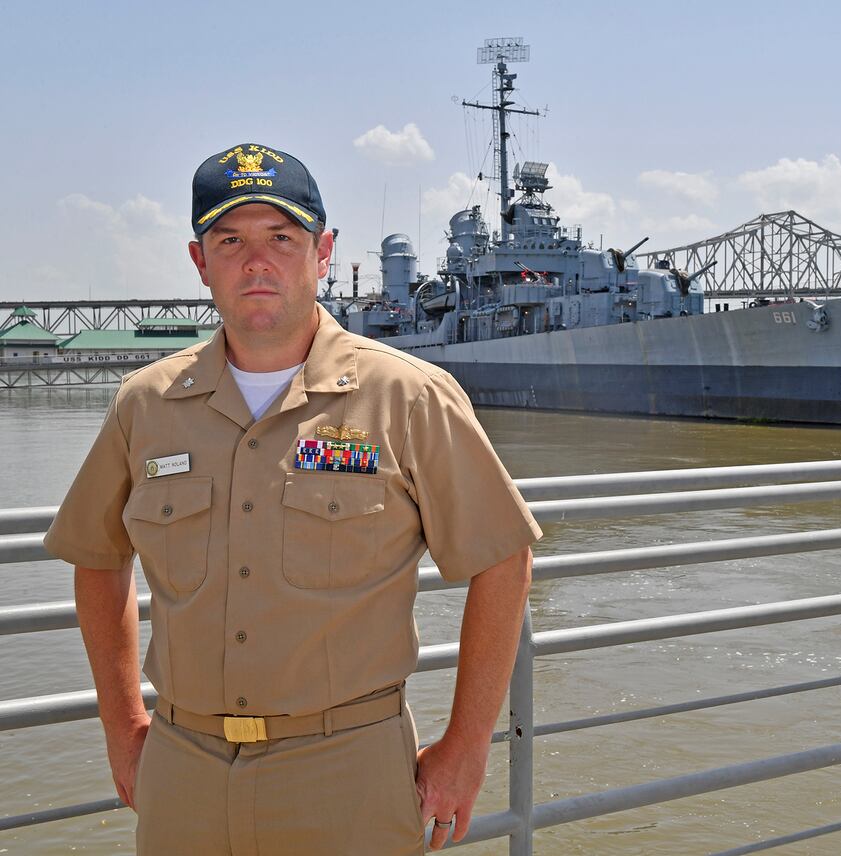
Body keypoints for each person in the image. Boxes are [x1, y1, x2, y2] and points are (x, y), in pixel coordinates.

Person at [43, 142, 542, 855]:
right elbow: (95, 556)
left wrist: (466, 747)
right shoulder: (145, 405)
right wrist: (123, 728)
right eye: (230, 241)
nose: (257, 262)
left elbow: (503, 557)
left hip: (347, 776)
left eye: (282, 238)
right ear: (199, 261)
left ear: (323, 252)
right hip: (184, 774)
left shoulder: (407, 397)